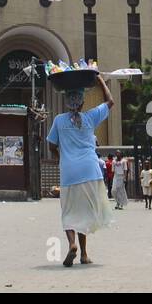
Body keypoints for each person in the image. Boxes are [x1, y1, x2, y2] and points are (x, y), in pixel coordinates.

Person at [46, 74, 114, 266]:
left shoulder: (59, 120)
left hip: (70, 172)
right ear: (82, 103)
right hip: (91, 171)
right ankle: (84, 255)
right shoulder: (91, 117)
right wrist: (100, 80)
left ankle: (72, 245)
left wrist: (62, 158)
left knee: (69, 213)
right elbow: (111, 101)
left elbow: (51, 145)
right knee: (84, 213)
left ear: (67, 102)